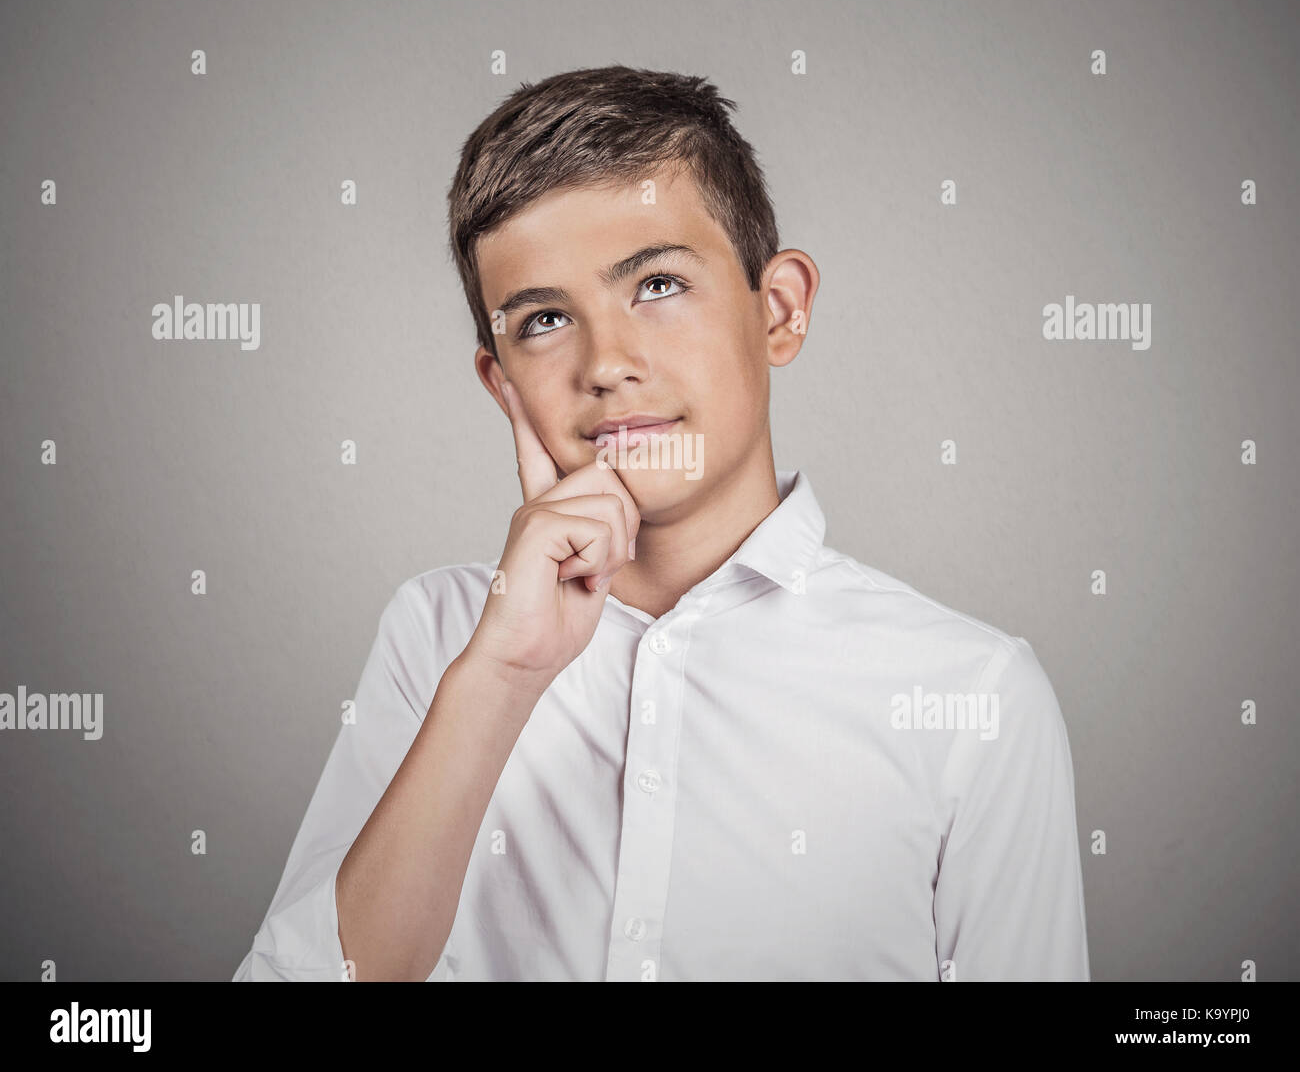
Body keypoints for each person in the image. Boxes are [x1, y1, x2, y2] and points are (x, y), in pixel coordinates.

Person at [234, 65, 1089, 981]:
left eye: (656, 284)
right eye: (546, 318)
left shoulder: (974, 695)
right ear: (501, 383)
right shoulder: (442, 635)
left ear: (781, 310)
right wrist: (505, 673)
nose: (607, 363)